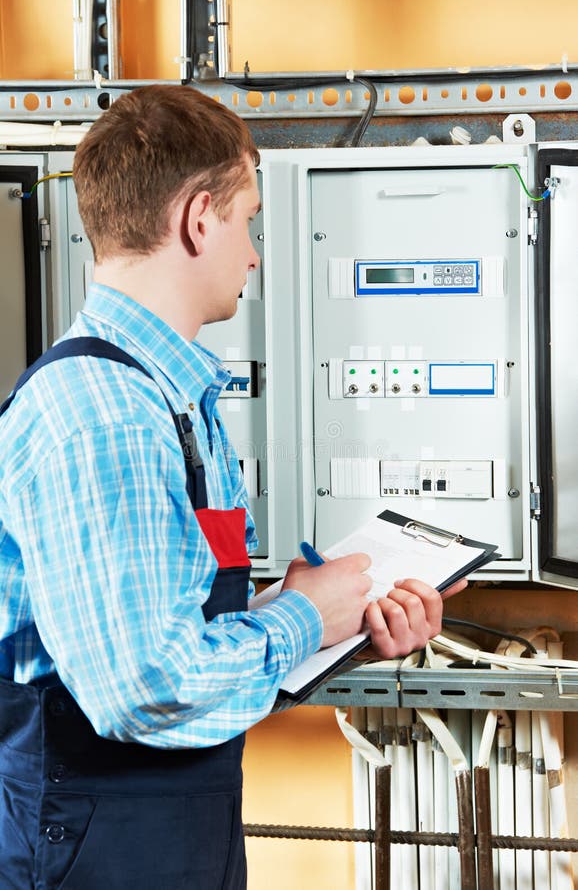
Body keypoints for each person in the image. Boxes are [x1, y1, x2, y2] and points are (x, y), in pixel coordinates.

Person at [0, 84, 466, 889]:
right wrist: (298, 616)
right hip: (93, 850)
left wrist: (332, 626)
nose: (253, 254)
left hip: (160, 839)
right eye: (247, 221)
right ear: (198, 217)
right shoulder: (105, 415)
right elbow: (145, 688)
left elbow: (161, 635)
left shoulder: (166, 399)